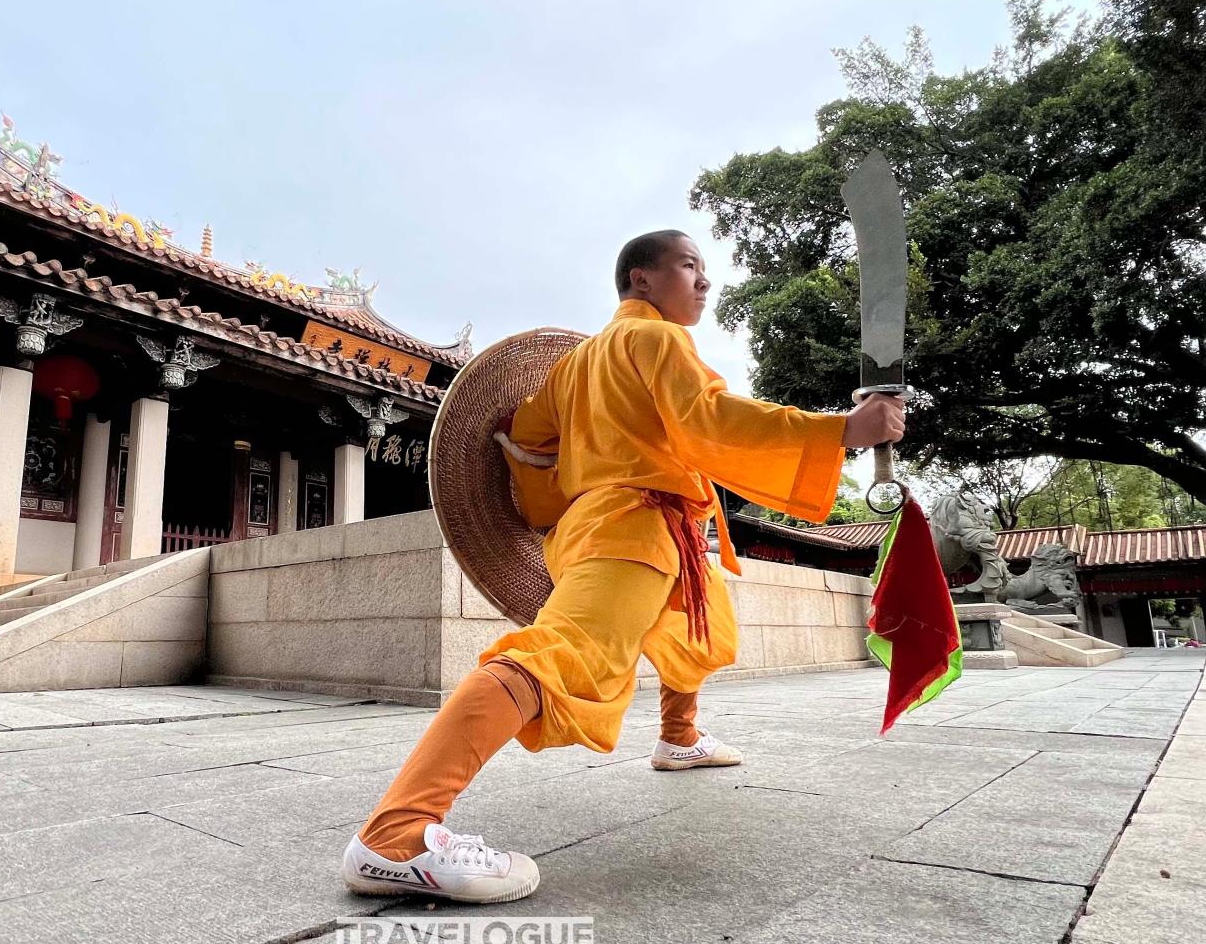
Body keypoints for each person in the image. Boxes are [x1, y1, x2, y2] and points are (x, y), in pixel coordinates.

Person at [339, 229, 906, 903]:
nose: (704, 281)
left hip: (612, 526)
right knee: (558, 659)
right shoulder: (660, 339)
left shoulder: (573, 366)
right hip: (631, 528)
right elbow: (711, 418)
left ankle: (679, 737)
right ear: (641, 279)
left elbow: (526, 440)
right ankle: (395, 834)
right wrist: (842, 430)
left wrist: (568, 491)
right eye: (689, 265)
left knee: (696, 629)